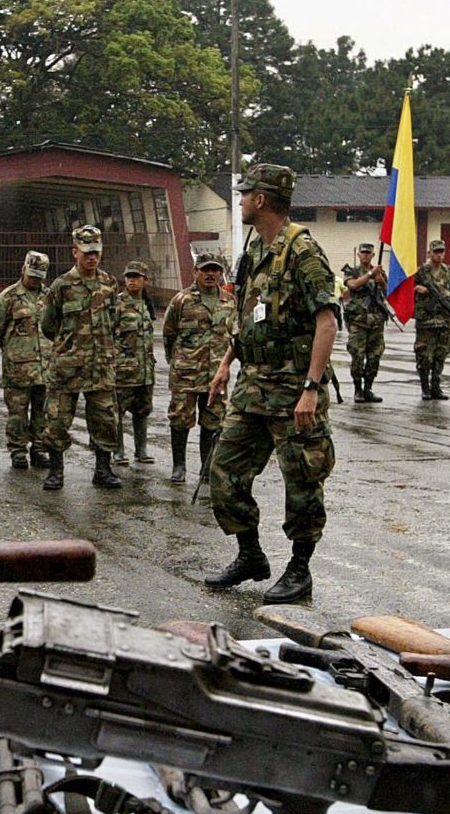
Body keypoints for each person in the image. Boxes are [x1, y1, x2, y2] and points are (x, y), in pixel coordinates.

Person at [204, 164, 338, 604]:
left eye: (245, 194)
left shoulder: (302, 250)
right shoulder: (253, 249)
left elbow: (327, 323)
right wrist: (225, 364)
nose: (241, 200)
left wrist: (311, 389)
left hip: (293, 387)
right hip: (253, 385)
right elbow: (247, 318)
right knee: (225, 469)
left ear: (261, 199)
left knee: (302, 479)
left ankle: (300, 570)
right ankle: (250, 555)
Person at [40, 225, 122, 490]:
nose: (92, 257)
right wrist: (70, 347)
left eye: (96, 252)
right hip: (68, 367)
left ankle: (103, 469)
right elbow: (48, 325)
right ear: (75, 252)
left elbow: (114, 320)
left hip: (101, 366)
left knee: (105, 419)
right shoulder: (62, 285)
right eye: (87, 252)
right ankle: (56, 471)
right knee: (57, 420)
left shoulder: (109, 284)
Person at [161, 251, 233, 483]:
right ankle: (179, 466)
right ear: (196, 272)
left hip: (216, 375)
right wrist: (177, 361)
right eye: (205, 270)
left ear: (221, 273)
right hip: (186, 374)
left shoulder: (229, 301)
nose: (210, 274)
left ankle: (206, 467)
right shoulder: (182, 300)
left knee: (213, 420)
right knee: (180, 419)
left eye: (215, 270)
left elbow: (234, 335)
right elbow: (168, 333)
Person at [0, 251, 52, 470]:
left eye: (39, 276)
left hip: (45, 366)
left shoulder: (50, 297)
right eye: (31, 275)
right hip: (18, 367)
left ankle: (39, 449)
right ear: (23, 269)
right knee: (17, 412)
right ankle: (17, 450)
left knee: (42, 411)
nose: (34, 279)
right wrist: (12, 349)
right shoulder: (8, 297)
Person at [112, 260, 156, 468]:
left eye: (137, 277)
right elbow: (108, 334)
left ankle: (141, 450)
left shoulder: (146, 304)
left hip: (145, 369)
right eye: (129, 277)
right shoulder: (118, 304)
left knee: (142, 409)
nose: (132, 281)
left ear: (145, 280)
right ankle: (118, 451)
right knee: (118, 410)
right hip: (124, 370)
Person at [413, 239, 450, 400]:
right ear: (429, 253)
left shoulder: (448, 271)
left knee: (441, 353)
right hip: (426, 319)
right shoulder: (421, 271)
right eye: (436, 252)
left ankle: (436, 386)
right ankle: (425, 388)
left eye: (442, 252)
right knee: (424, 354)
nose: (439, 255)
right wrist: (417, 288)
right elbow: (406, 288)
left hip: (445, 318)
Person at [340, 243, 389, 403]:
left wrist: (381, 281)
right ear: (359, 255)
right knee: (357, 357)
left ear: (373, 255)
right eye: (363, 253)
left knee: (374, 357)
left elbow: (388, 293)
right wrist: (370, 274)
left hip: (376, 322)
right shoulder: (352, 271)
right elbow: (352, 285)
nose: (366, 255)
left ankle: (368, 388)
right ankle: (358, 389)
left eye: (369, 253)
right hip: (358, 322)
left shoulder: (379, 272)